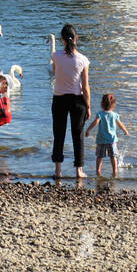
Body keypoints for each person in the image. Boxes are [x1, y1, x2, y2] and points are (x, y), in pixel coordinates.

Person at [49, 23, 91, 179]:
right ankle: (79, 170)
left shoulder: (55, 56)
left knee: (58, 134)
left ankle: (58, 170)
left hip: (59, 99)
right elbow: (85, 87)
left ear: (61, 39)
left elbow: (55, 72)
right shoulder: (83, 60)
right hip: (77, 100)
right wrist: (88, 106)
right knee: (77, 135)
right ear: (76, 38)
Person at [85, 93, 130, 177]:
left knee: (99, 157)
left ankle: (98, 170)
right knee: (113, 157)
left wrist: (88, 129)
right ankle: (115, 171)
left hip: (101, 139)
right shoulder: (115, 115)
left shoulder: (100, 114)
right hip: (112, 140)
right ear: (113, 105)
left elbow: (95, 122)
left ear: (102, 104)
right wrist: (125, 130)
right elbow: (120, 124)